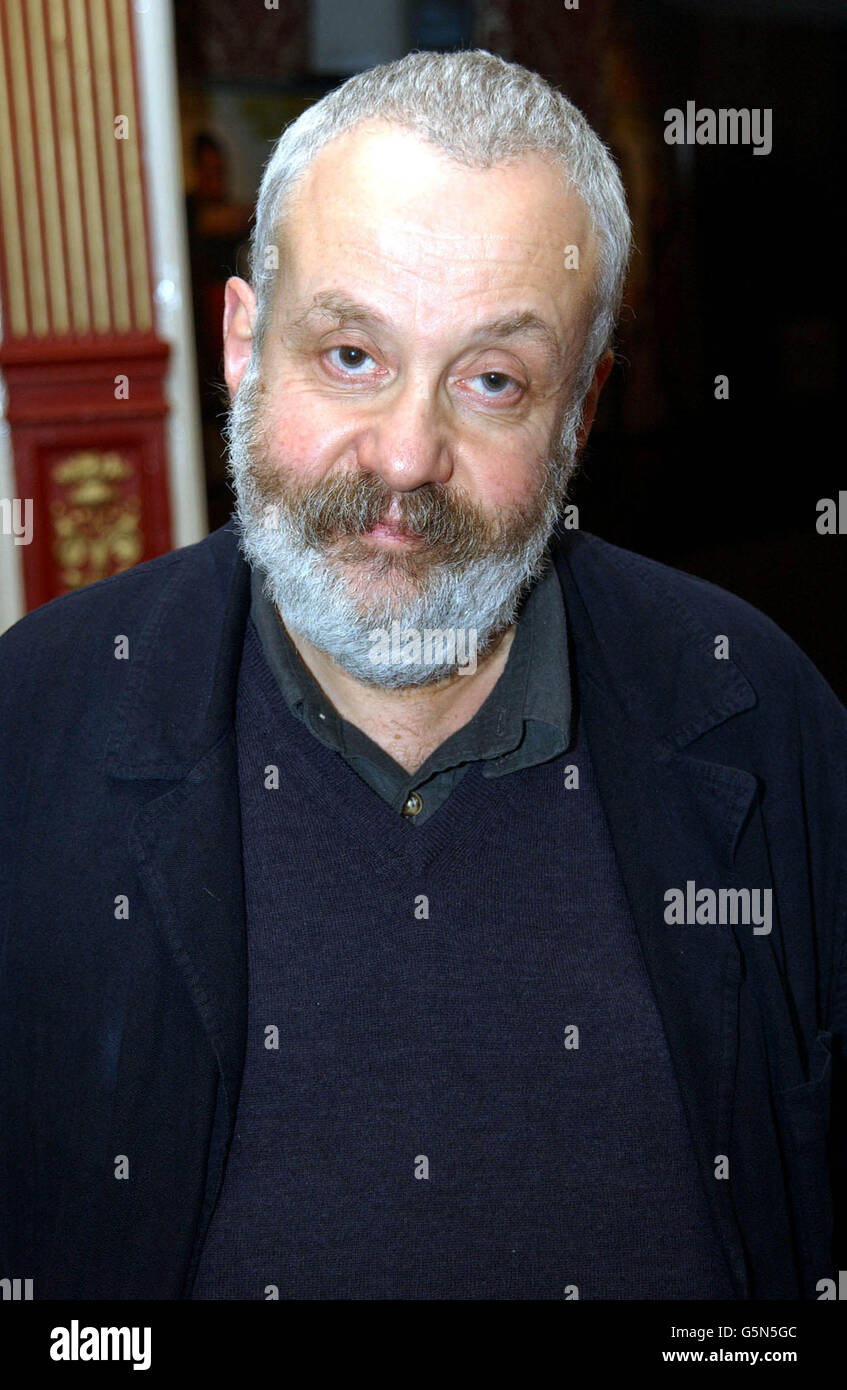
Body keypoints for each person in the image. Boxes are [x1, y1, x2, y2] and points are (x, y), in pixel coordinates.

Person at [1, 49, 844, 1302]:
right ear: (242, 343)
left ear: (578, 412)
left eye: (492, 381)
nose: (405, 457)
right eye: (351, 354)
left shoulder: (760, 712)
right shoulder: (32, 728)